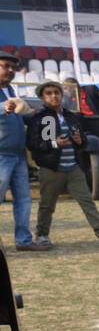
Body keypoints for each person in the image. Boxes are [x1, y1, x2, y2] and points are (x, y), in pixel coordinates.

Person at [25, 81, 99, 249]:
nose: (53, 96)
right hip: (51, 169)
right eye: (48, 93)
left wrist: (80, 141)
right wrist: (54, 144)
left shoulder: (71, 116)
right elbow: (33, 144)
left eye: (56, 92)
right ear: (42, 97)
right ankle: (41, 235)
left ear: (62, 95)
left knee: (87, 202)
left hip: (73, 168)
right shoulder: (39, 117)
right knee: (47, 205)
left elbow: (82, 140)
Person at [0, 50, 39, 252]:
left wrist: (33, 115)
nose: (10, 70)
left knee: (23, 201)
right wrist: (4, 107)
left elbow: (17, 115)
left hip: (17, 155)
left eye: (12, 67)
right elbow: (7, 109)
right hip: (1, 156)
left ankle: (23, 241)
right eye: (5, 66)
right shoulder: (7, 97)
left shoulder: (10, 90)